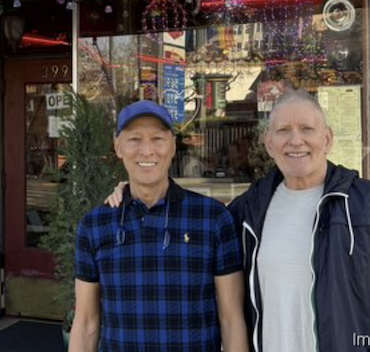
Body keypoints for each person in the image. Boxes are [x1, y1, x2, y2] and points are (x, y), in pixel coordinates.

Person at [106, 90, 370, 351]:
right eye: (284, 131)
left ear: (327, 139)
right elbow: (190, 242)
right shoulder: (248, 211)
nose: (295, 141)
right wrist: (134, 190)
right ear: (268, 143)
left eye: (307, 129)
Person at [69, 100, 248, 352]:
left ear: (173, 146)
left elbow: (231, 320)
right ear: (118, 146)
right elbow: (86, 322)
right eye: (134, 139)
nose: (147, 150)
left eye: (157, 138)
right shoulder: (95, 225)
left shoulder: (213, 219)